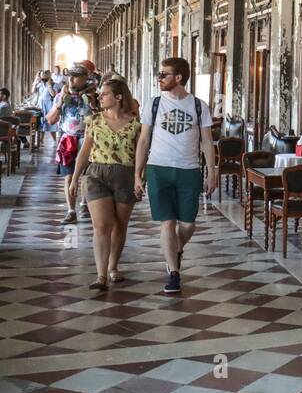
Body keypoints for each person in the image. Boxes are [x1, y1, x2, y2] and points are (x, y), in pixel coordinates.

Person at [134, 57, 216, 294]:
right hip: (158, 168)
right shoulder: (154, 104)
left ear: (178, 77)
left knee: (188, 224)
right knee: (167, 222)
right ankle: (173, 272)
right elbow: (143, 141)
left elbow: (207, 142)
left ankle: (175, 249)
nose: (159, 78)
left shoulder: (199, 106)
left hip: (189, 169)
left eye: (163, 74)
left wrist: (212, 172)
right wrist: (137, 174)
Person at [69, 79, 142, 290]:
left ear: (118, 97)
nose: (100, 97)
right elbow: (84, 151)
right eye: (100, 94)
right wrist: (75, 178)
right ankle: (100, 275)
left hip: (125, 175)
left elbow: (140, 153)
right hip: (96, 174)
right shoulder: (94, 120)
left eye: (105, 94)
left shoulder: (136, 124)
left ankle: (113, 267)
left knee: (120, 224)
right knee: (101, 225)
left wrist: (139, 177)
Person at [47, 64, 96, 224]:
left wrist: (94, 104)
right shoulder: (61, 95)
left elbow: (102, 115)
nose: (72, 80)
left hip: (88, 140)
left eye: (76, 77)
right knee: (68, 175)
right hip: (68, 139)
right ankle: (71, 210)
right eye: (71, 77)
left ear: (84, 79)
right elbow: (50, 120)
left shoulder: (93, 94)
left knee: (86, 175)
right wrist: (60, 104)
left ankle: (84, 202)